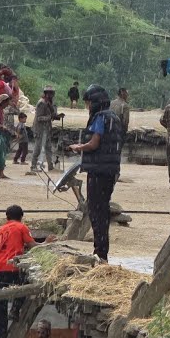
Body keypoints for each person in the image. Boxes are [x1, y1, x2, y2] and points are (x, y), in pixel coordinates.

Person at [69, 84, 122, 261]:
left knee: (96, 210)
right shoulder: (113, 117)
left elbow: (94, 143)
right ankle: (101, 251)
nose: (88, 107)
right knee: (103, 210)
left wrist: (78, 147)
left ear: (96, 103)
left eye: (88, 103)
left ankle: (100, 252)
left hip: (99, 171)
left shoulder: (100, 118)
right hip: (111, 170)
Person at [0, 205, 49, 338]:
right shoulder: (21, 227)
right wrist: (46, 243)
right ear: (21, 217)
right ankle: (15, 309)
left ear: (6, 217)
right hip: (11, 266)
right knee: (26, 283)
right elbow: (32, 245)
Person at [28, 86, 63, 174]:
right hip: (40, 129)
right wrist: (49, 117)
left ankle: (50, 167)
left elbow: (53, 114)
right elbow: (39, 118)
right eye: (49, 93)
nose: (51, 95)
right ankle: (33, 166)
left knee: (48, 148)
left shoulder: (49, 103)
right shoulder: (41, 103)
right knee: (38, 148)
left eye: (52, 93)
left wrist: (58, 116)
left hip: (46, 129)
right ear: (46, 93)